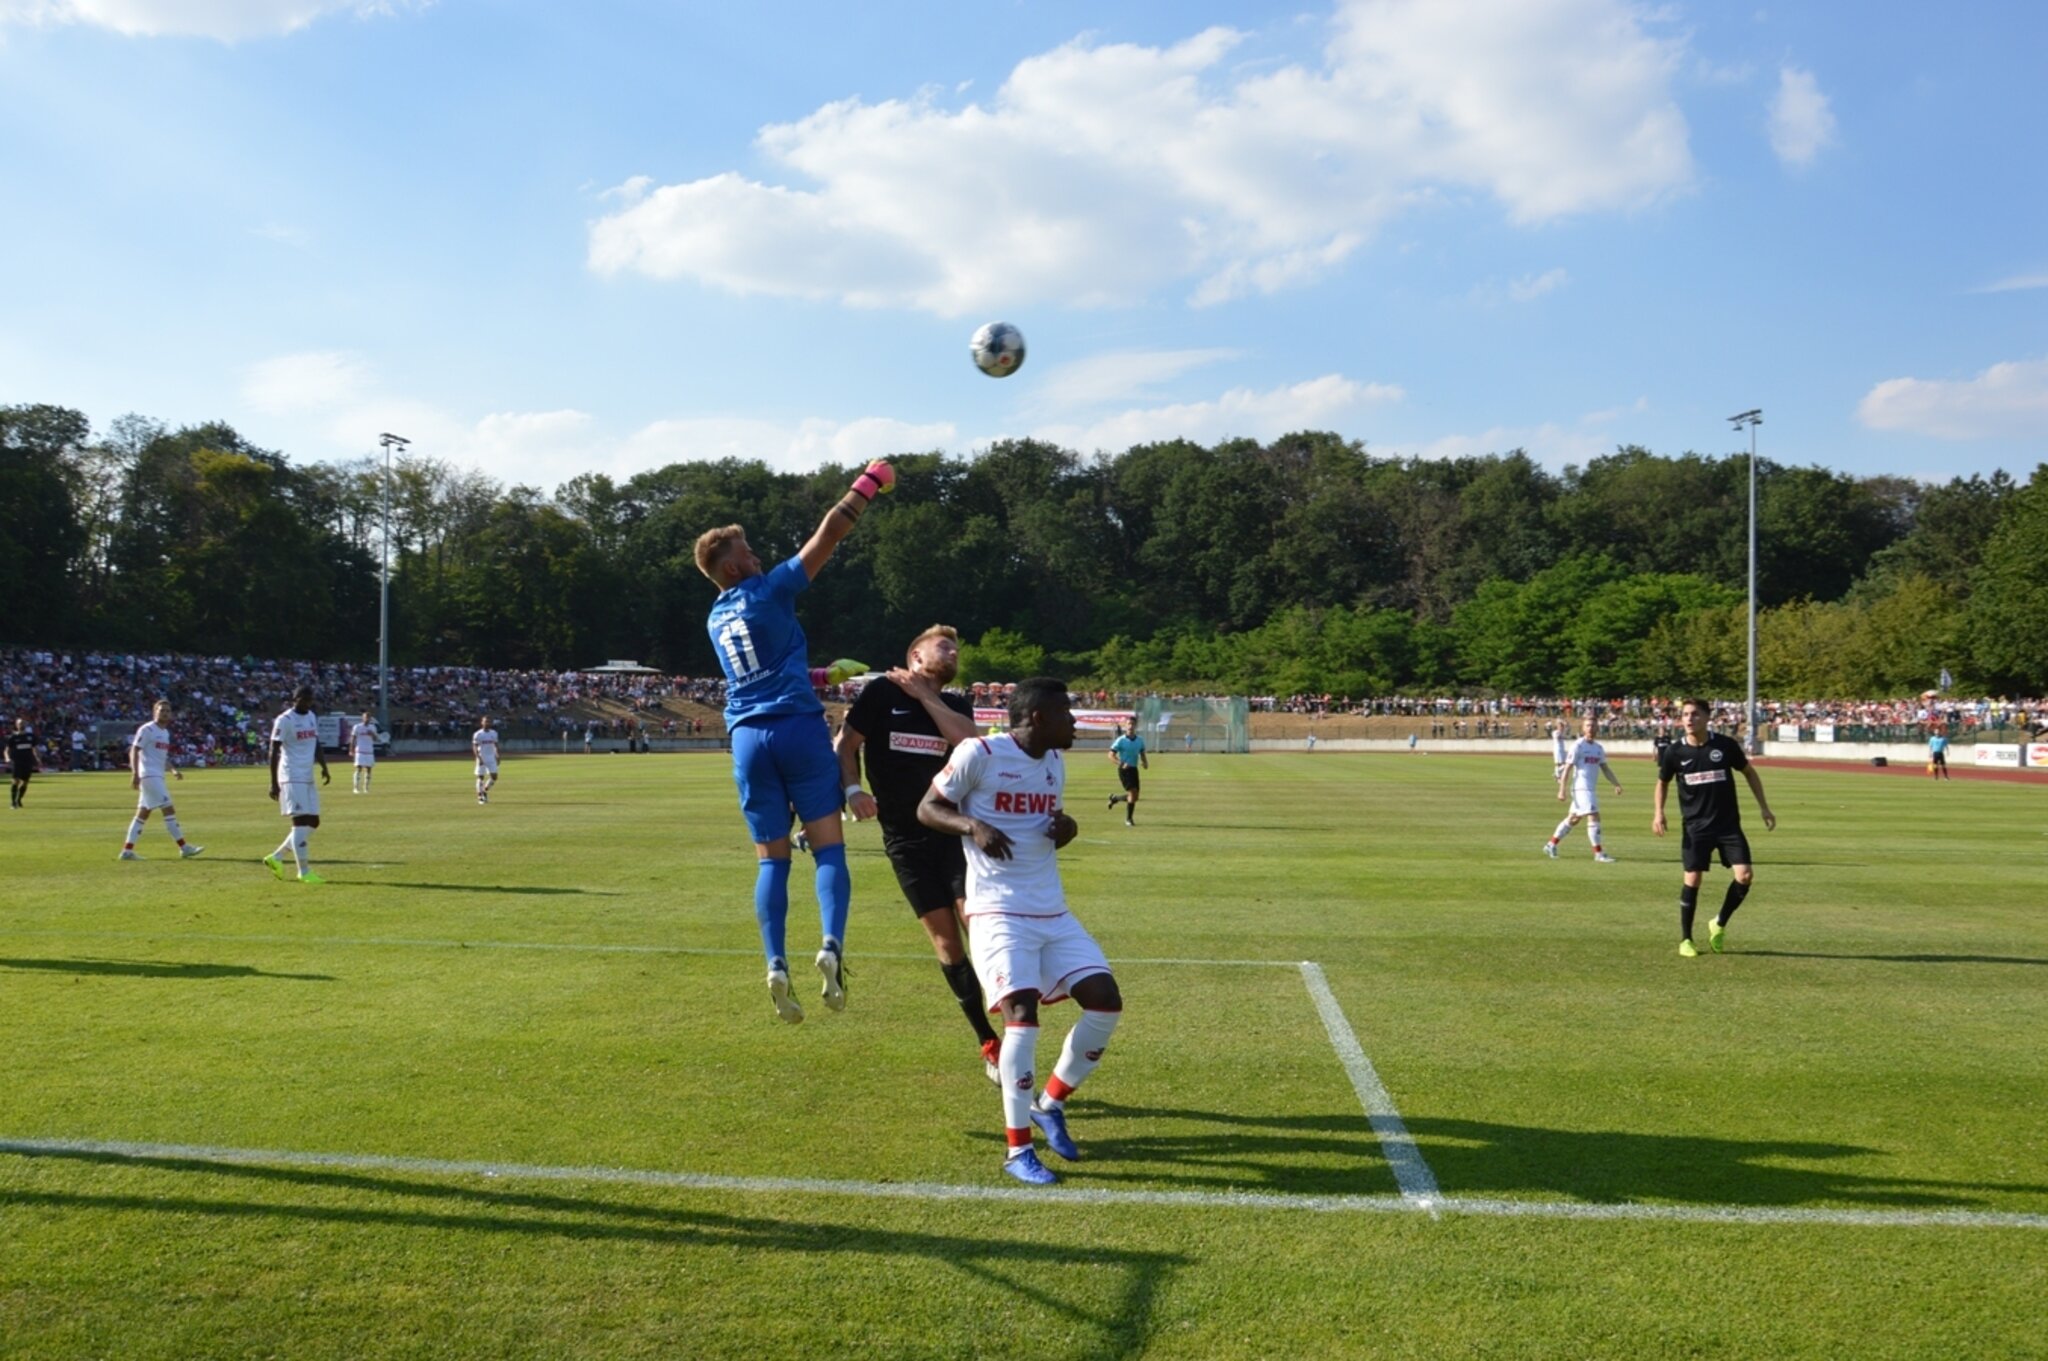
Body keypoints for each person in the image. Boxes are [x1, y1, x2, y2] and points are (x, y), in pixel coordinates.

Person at [698, 458, 895, 1024]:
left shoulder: (716, 618)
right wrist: (870, 483)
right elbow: (829, 532)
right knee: (829, 849)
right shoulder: (768, 588)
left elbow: (759, 672)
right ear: (733, 567)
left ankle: (775, 962)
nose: (759, 558)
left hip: (747, 737)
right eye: (750, 553)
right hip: (798, 730)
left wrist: (822, 675)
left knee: (771, 863)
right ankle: (831, 946)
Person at [919, 677, 1124, 1187]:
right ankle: (1017, 1151)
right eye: (1066, 715)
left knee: (1105, 1001)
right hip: (997, 912)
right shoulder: (980, 752)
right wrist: (973, 827)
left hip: (1051, 910)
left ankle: (1050, 1104)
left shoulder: (1054, 761)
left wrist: (1067, 828)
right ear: (1037, 718)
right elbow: (928, 808)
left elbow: (1046, 826)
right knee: (1021, 1017)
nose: (1075, 722)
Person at [836, 624, 998, 1081]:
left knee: (978, 927)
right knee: (947, 942)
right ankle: (989, 1042)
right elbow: (846, 746)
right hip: (905, 841)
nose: (952, 653)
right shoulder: (880, 694)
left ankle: (1015, 1021)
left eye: (956, 649)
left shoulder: (956, 703)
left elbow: (971, 744)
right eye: (943, 646)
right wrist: (852, 790)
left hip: (953, 834)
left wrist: (928, 699)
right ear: (915, 657)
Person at [1653, 697, 1777, 957]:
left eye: (1695, 714)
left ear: (1708, 717)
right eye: (1685, 714)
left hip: (1728, 825)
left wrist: (1764, 807)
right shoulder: (1675, 752)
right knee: (1693, 878)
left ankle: (1718, 922)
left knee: (1745, 876)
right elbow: (1662, 782)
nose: (1689, 719)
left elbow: (1749, 772)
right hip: (1695, 827)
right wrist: (1659, 812)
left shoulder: (1725, 746)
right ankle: (1686, 939)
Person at [118, 699, 203, 860]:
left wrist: (173, 770)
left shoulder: (165, 733)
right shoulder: (147, 729)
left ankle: (127, 851)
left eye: (167, 711)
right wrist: (135, 773)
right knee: (168, 809)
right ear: (154, 712)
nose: (164, 713)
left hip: (157, 776)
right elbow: (134, 750)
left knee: (143, 813)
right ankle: (184, 847)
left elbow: (162, 757)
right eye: (161, 710)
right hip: (148, 775)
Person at [264, 685, 332, 884]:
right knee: (300, 822)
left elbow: (315, 742)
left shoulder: (311, 716)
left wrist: (324, 766)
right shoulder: (284, 720)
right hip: (291, 775)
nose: (308, 703)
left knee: (313, 822)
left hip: (307, 775)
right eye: (305, 699)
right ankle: (303, 871)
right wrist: (273, 782)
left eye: (311, 699)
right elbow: (273, 750)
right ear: (295, 699)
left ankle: (276, 857)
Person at [1545, 713, 1622, 862]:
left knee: (1573, 819)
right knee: (1594, 815)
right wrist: (1562, 790)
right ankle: (1598, 853)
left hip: (1589, 789)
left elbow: (1605, 768)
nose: (1590, 728)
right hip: (1581, 788)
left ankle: (1551, 844)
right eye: (1588, 725)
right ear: (1583, 727)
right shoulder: (1578, 745)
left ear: (1597, 728)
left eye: (1593, 725)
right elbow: (1567, 768)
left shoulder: (1599, 748)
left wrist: (1616, 783)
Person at [1105, 717, 1148, 826]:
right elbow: (1110, 755)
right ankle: (1129, 819)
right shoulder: (1121, 740)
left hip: (1134, 769)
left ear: (1135, 726)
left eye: (1133, 724)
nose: (1131, 726)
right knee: (1133, 794)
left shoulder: (1140, 740)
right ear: (1125, 726)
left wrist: (1144, 762)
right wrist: (1121, 763)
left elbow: (1142, 752)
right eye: (1129, 724)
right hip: (1124, 770)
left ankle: (1115, 798)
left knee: (1135, 797)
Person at [8, 717, 41, 809]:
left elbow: (34, 748)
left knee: (25, 782)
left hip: (28, 761)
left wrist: (38, 758)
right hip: (17, 761)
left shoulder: (31, 736)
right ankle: (13, 802)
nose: (21, 725)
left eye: (22, 723)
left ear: (25, 725)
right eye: (19, 723)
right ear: (16, 725)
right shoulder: (13, 737)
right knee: (15, 781)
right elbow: (7, 750)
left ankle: (19, 800)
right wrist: (7, 758)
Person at [473, 715, 500, 803]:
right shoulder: (478, 734)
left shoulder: (494, 733)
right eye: (485, 721)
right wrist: (479, 758)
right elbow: (475, 747)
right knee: (480, 777)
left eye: (489, 721)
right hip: (482, 757)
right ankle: (480, 797)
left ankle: (484, 790)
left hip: (491, 757)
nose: (487, 723)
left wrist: (497, 755)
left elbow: (495, 745)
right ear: (482, 722)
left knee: (494, 777)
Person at [351, 712, 379, 794]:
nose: (367, 719)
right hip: (360, 750)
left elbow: (376, 739)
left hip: (369, 751)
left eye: (369, 717)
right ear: (362, 718)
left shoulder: (372, 727)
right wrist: (351, 750)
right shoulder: (357, 727)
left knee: (369, 769)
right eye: (366, 717)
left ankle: (366, 788)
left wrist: (372, 734)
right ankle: (356, 788)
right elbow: (353, 738)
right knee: (358, 768)